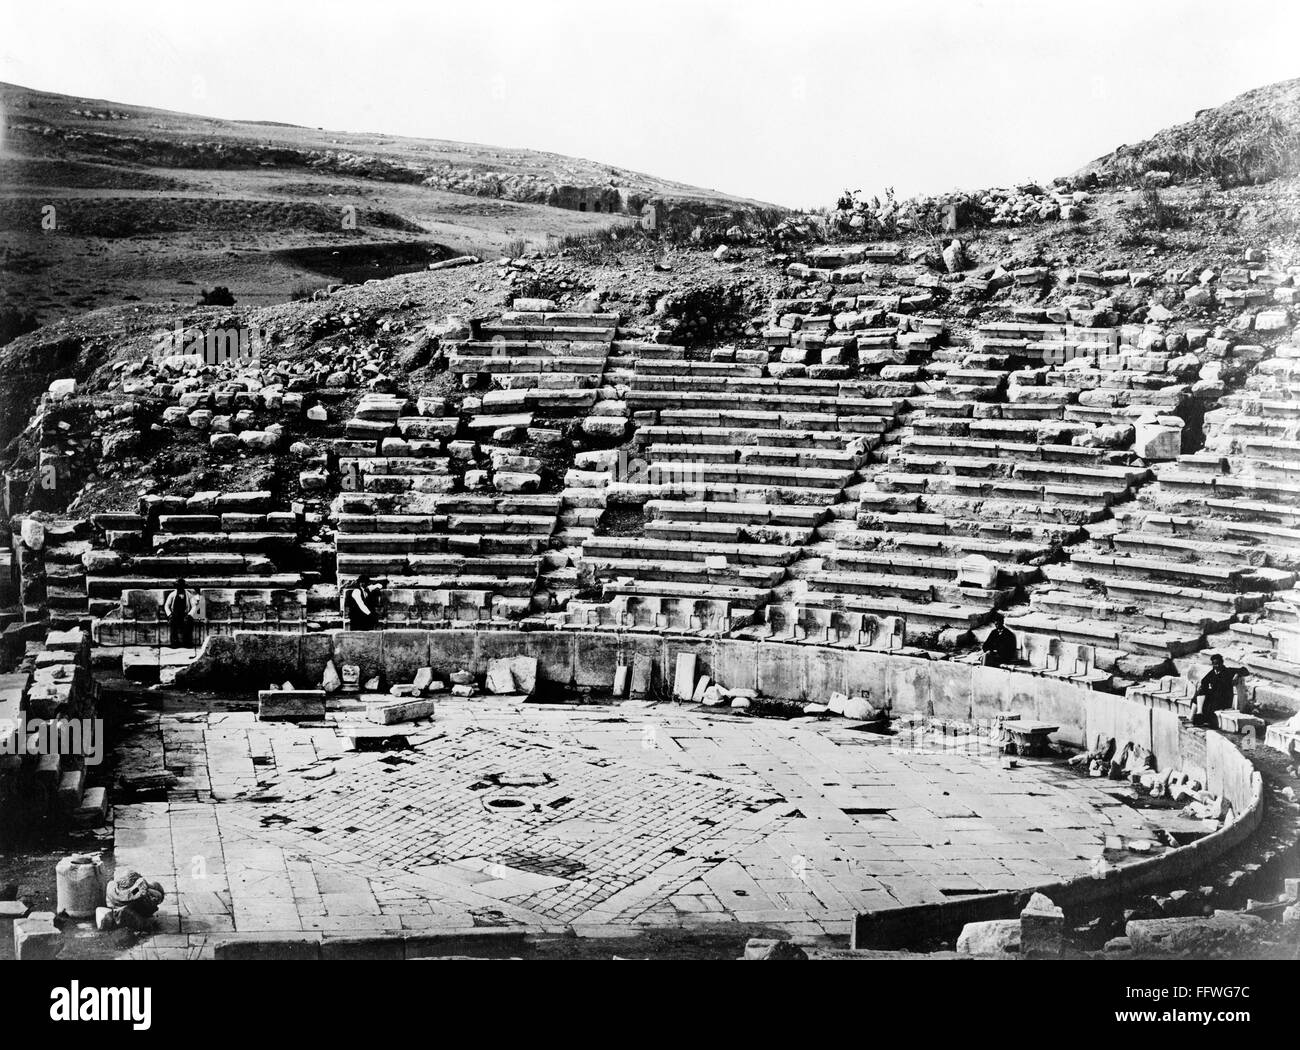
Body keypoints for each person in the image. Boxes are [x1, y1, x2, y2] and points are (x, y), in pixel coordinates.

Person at [1194, 654, 1244, 729]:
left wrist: (1237, 674)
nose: (1217, 666)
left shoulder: (1228, 671)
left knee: (1209, 704)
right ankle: (1198, 714)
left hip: (1225, 698)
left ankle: (1201, 718)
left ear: (1222, 663)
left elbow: (1244, 670)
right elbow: (1204, 681)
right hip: (1214, 696)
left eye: (1218, 663)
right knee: (1200, 694)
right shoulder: (1212, 672)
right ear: (1212, 664)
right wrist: (1204, 688)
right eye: (1214, 664)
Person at [163, 578, 194, 648]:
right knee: (173, 624)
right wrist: (169, 614)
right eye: (178, 586)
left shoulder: (189, 595)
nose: (180, 588)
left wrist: (189, 615)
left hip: (185, 614)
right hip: (175, 615)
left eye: (181, 586)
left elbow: (194, 606)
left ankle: (187, 642)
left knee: (188, 624)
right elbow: (166, 605)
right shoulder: (172, 595)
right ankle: (174, 643)